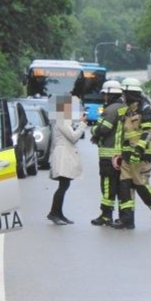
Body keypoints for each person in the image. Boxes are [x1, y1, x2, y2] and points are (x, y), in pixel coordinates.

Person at [110, 78, 151, 230]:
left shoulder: (145, 109)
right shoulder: (127, 110)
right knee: (125, 187)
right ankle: (127, 220)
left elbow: (149, 131)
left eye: (124, 93)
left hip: (141, 156)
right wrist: (119, 153)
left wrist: (138, 150)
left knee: (141, 186)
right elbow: (124, 135)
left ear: (131, 93)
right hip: (127, 156)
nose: (123, 96)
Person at [89, 80, 125, 225]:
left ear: (110, 95)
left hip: (109, 155)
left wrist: (93, 131)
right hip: (121, 154)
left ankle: (106, 216)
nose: (104, 97)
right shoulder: (124, 107)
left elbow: (104, 128)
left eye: (105, 94)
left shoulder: (110, 109)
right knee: (120, 187)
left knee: (107, 185)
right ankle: (123, 217)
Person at [47, 96, 87, 225]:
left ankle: (59, 213)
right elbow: (73, 137)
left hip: (64, 154)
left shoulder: (64, 121)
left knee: (64, 185)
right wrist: (82, 124)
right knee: (63, 185)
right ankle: (54, 213)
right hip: (63, 156)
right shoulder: (62, 121)